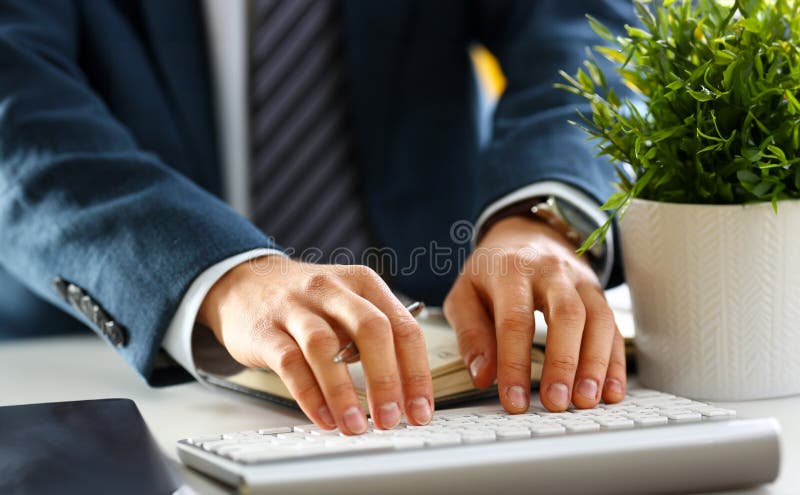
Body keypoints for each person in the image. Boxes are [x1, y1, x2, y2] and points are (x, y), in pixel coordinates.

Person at [0, 0, 633, 435]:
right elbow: (17, 101)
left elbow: (581, 28)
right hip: (89, 366)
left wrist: (541, 215)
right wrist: (224, 272)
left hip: (445, 369)